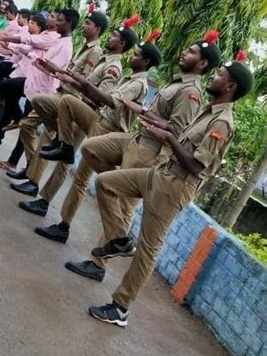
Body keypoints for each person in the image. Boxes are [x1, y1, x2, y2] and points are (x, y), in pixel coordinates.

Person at [80, 54, 253, 325]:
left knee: (149, 247)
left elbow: (198, 165)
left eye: (220, 75)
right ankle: (119, 240)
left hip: (176, 186)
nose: (215, 77)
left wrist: (169, 138)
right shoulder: (209, 110)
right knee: (105, 183)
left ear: (230, 87)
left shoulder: (222, 122)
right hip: (159, 174)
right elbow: (179, 134)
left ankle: (120, 307)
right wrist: (155, 122)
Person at [34, 30, 222, 250]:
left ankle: (99, 261)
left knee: (122, 204)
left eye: (191, 52)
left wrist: (142, 113)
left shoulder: (191, 93)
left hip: (147, 150)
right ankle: (64, 222)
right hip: (131, 138)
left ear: (202, 63)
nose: (184, 52)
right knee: (90, 165)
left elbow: (176, 131)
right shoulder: (176, 83)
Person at [18, 36, 161, 223]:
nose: (131, 57)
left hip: (105, 127)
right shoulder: (128, 77)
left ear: (146, 61)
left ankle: (60, 221)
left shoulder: (134, 81)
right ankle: (61, 148)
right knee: (57, 118)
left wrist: (82, 83)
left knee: (80, 178)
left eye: (136, 55)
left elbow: (107, 100)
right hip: (97, 120)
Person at [9, 16, 138, 195]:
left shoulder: (105, 60)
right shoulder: (95, 53)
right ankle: (33, 174)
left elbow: (98, 93)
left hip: (81, 107)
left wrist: (72, 80)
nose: (84, 26)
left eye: (88, 23)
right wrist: (61, 73)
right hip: (67, 99)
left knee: (64, 160)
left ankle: (43, 197)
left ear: (122, 43)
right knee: (45, 135)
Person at [0, 10, 73, 152]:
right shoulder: (56, 38)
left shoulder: (59, 43)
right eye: (54, 17)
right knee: (7, 92)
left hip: (41, 89)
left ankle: (13, 161)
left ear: (69, 23)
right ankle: (1, 134)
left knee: (27, 128)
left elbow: (51, 68)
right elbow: (27, 45)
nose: (54, 21)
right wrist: (6, 40)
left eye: (57, 19)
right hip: (31, 80)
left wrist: (9, 41)